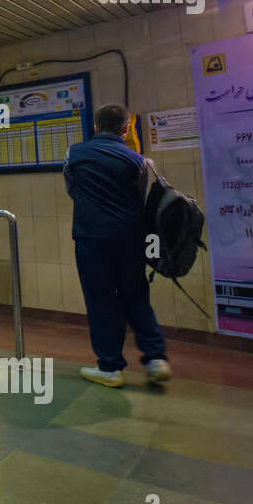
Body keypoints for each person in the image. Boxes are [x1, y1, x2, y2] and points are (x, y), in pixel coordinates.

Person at [63, 102, 171, 388]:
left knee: (100, 300)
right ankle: (155, 358)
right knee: (136, 296)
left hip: (90, 238)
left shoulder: (74, 153)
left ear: (95, 126)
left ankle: (110, 367)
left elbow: (72, 190)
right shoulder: (139, 160)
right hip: (130, 239)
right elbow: (142, 198)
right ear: (126, 129)